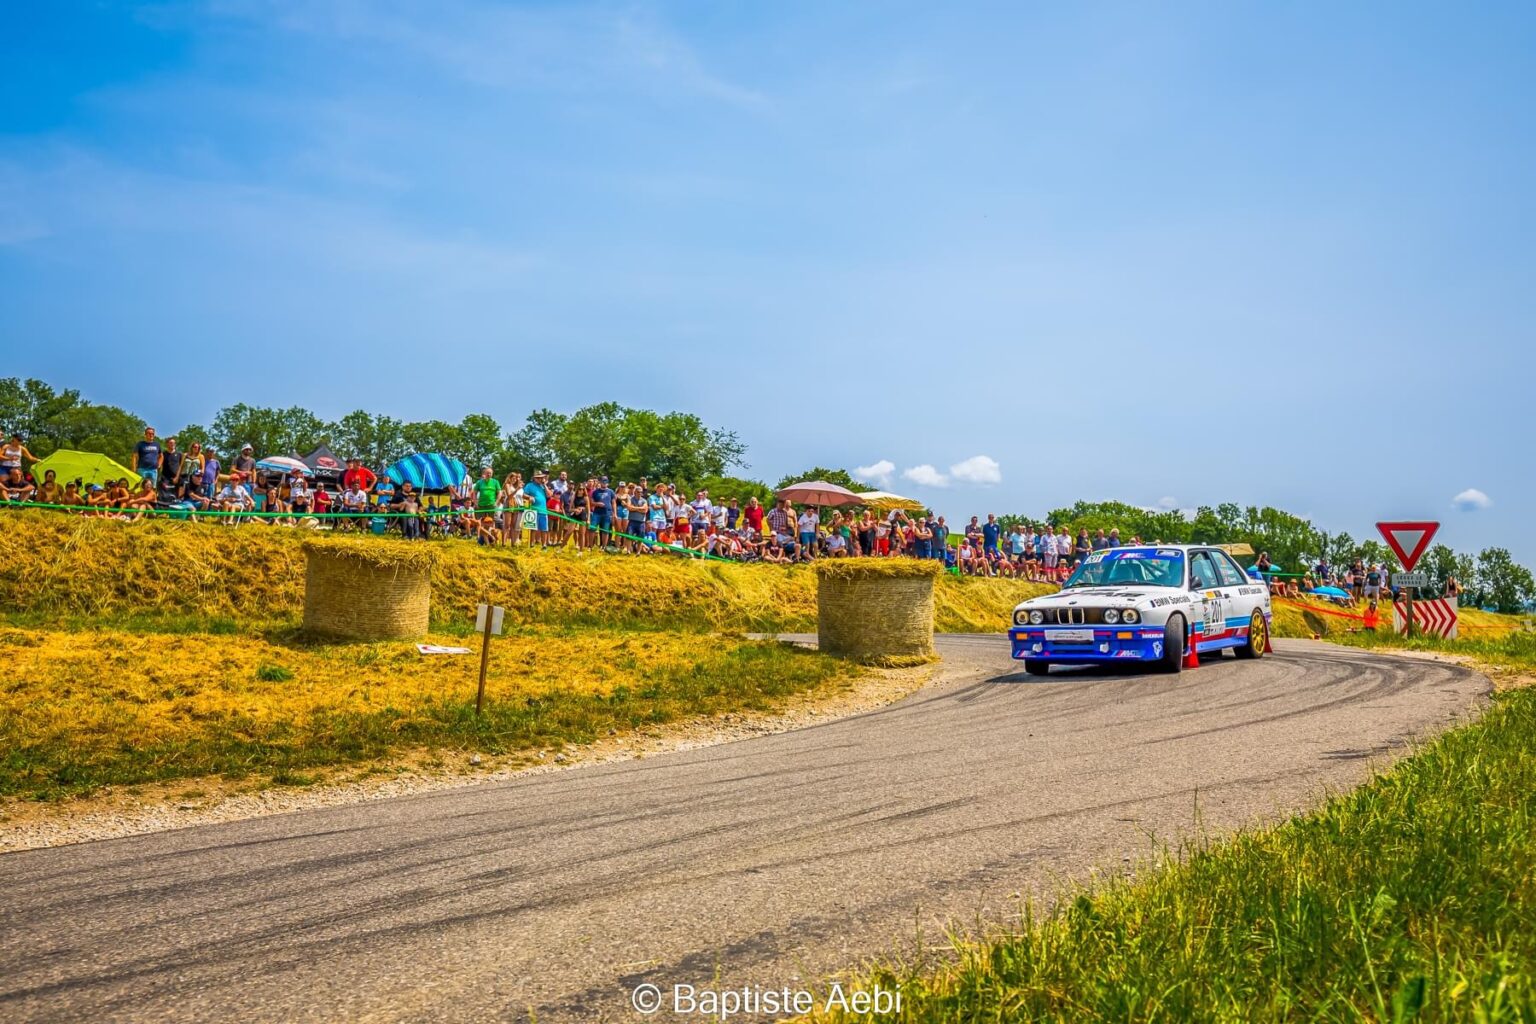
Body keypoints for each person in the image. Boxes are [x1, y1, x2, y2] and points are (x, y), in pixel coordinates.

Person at [589, 476, 614, 547]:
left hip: (607, 513)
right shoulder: (595, 492)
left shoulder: (611, 491)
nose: (604, 483)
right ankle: (590, 546)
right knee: (592, 529)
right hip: (597, 513)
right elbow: (591, 502)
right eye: (603, 481)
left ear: (608, 482)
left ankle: (603, 547)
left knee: (605, 530)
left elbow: (614, 503)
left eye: (606, 481)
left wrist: (614, 514)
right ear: (600, 482)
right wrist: (597, 504)